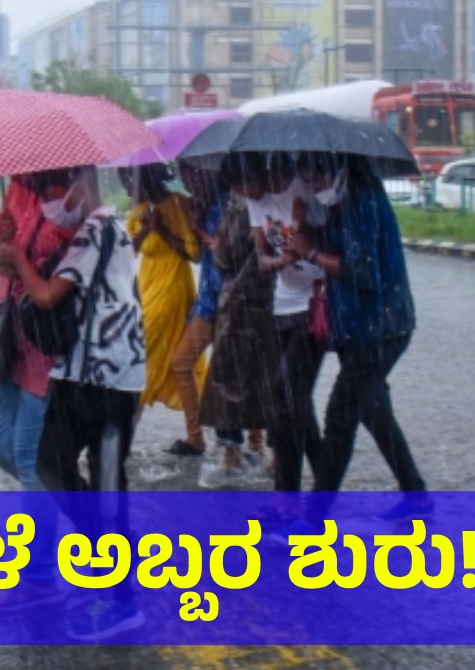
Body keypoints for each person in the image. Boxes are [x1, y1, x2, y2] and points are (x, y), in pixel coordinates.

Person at [0, 165, 147, 640]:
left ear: (82, 182)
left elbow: (45, 296)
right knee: (50, 464)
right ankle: (111, 557)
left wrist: (18, 255)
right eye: (42, 189)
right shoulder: (89, 230)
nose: (49, 198)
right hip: (79, 371)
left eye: (56, 187)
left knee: (103, 484)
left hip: (110, 378)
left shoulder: (100, 228)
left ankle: (124, 598)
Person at [287, 155, 430, 523]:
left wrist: (311, 251)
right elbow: (337, 247)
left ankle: (314, 519)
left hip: (380, 328)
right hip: (360, 329)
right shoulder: (344, 201)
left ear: (335, 169)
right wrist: (306, 229)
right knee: (374, 411)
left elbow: (361, 270)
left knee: (339, 417)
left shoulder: (362, 201)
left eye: (315, 177)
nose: (314, 186)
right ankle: (416, 497)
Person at [0, 173, 77, 611]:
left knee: (30, 460)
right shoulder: (16, 189)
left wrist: (21, 254)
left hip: (49, 346)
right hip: (11, 341)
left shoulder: (73, 199)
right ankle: (76, 506)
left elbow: (67, 266)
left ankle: (37, 578)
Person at [166, 162, 265, 464]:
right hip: (209, 302)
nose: (189, 181)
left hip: (231, 304)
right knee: (186, 363)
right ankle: (201, 438)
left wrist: (205, 235)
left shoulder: (231, 202)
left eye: (194, 174)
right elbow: (204, 259)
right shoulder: (207, 204)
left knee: (234, 374)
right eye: (185, 175)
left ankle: (249, 443)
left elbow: (228, 253)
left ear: (209, 172)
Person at [244, 152, 326, 498]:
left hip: (313, 305)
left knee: (286, 393)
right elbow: (261, 261)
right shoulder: (255, 202)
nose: (244, 193)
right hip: (281, 306)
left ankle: (289, 497)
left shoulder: (305, 193)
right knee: (295, 401)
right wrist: (284, 259)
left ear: (262, 172)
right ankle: (324, 477)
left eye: (246, 183)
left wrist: (303, 223)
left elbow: (326, 244)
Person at [119, 164, 205, 420]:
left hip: (171, 288)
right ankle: (195, 428)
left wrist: (161, 229)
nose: (126, 188)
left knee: (142, 356)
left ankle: (126, 424)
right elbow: (126, 252)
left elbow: (194, 253)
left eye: (129, 182)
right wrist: (145, 228)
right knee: (147, 355)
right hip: (145, 289)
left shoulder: (179, 204)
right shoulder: (139, 210)